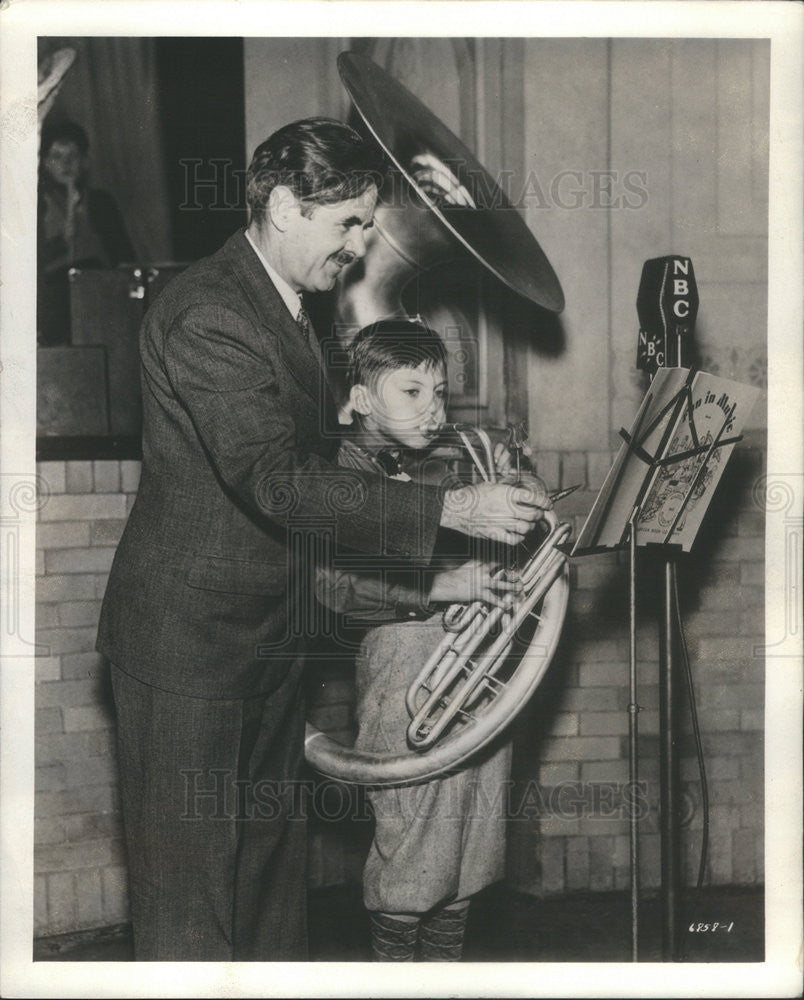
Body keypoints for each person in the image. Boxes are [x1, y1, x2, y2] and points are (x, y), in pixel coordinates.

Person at [96, 117, 550, 961]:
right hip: (189, 647)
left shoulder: (294, 310)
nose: (360, 246)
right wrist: (449, 513)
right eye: (347, 223)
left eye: (367, 225)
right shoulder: (206, 312)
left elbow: (318, 470)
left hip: (265, 638)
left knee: (267, 880)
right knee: (192, 896)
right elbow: (275, 478)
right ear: (279, 205)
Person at [316, 318, 528, 962]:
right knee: (411, 844)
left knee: (469, 845)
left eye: (439, 392)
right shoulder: (335, 472)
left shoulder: (441, 462)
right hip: (403, 676)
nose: (433, 408)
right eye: (412, 392)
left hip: (477, 670)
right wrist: (443, 585)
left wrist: (521, 502)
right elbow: (327, 587)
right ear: (357, 400)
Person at [37, 118, 134, 344]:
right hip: (55, 296)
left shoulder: (101, 201)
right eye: (57, 156)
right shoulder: (38, 203)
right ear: (44, 163)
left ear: (85, 161)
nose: (66, 164)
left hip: (99, 292)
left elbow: (123, 256)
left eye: (73, 156)